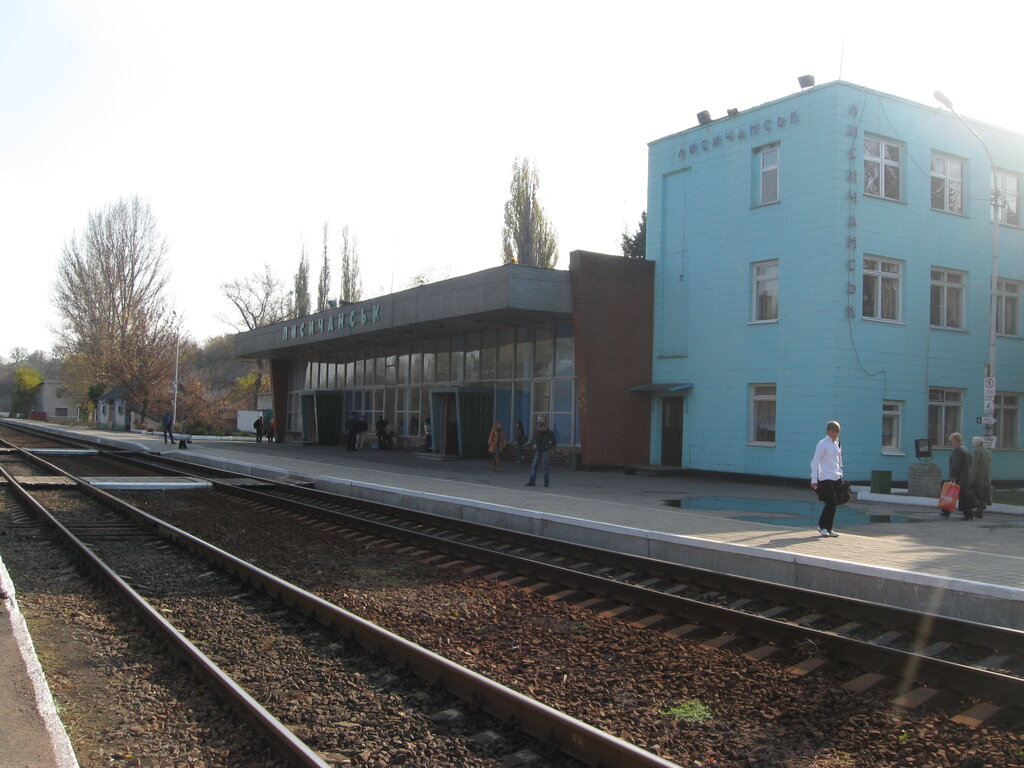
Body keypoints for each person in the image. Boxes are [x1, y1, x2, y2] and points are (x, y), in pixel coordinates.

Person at [810, 420, 843, 537]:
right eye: (833, 431)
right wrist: (814, 478)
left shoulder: (837, 444)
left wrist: (841, 473)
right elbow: (815, 461)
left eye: (837, 432)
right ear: (828, 431)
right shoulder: (822, 444)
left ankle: (829, 528)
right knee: (831, 502)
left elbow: (839, 460)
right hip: (825, 477)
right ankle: (822, 526)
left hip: (836, 477)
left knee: (834, 503)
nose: (835, 434)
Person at [944, 432, 976, 520]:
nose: (952, 443)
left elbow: (956, 464)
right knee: (962, 496)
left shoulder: (958, 450)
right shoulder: (966, 449)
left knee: (953, 494)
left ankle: (947, 511)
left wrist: (954, 475)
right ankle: (947, 511)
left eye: (952, 441)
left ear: (955, 441)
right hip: (966, 477)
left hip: (959, 477)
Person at [525, 419, 556, 487]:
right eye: (539, 428)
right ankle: (532, 481)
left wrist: (548, 447)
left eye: (541, 428)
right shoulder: (538, 433)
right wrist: (534, 444)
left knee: (545, 467)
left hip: (545, 451)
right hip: (538, 450)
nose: (540, 429)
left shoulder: (550, 433)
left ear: (544, 427)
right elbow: (534, 440)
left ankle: (546, 482)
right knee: (533, 466)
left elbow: (554, 442)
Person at [969, 436, 991, 518]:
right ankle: (979, 512)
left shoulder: (977, 452)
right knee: (982, 496)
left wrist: (972, 479)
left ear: (976, 443)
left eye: (973, 442)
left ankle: (980, 507)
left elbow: (975, 467)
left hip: (979, 478)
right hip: (986, 478)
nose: (973, 444)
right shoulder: (986, 451)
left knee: (975, 495)